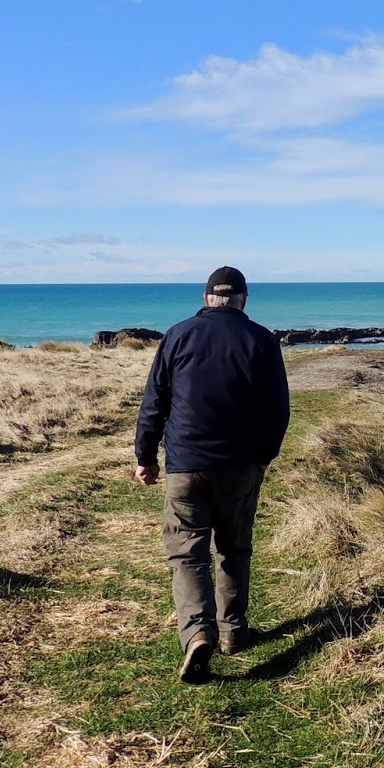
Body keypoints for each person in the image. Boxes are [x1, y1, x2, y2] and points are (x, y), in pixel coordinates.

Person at [134, 266, 290, 683]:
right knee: (234, 550)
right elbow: (277, 411)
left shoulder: (178, 335)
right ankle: (233, 633)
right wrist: (264, 458)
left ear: (207, 299)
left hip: (185, 466)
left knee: (187, 555)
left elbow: (154, 402)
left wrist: (145, 456)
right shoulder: (261, 340)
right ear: (243, 299)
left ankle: (198, 633)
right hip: (240, 465)